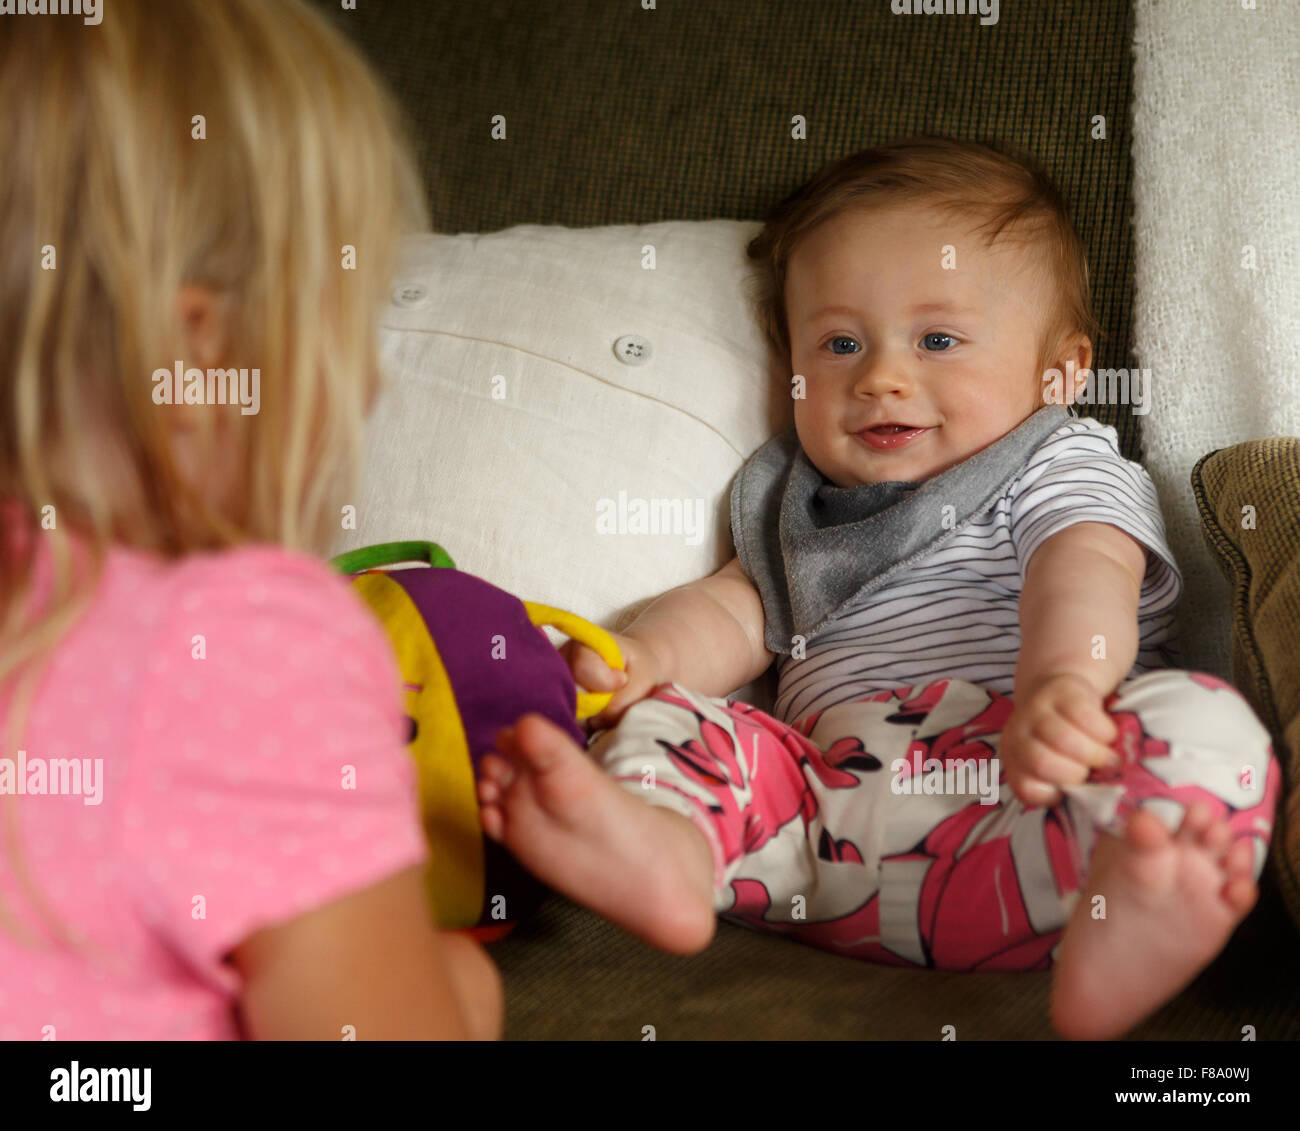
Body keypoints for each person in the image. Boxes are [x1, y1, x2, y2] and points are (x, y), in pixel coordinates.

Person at [477, 136, 1280, 1041]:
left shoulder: (1055, 457)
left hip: (1030, 788)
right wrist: (643, 658)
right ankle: (665, 849)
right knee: (676, 721)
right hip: (830, 824)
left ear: (1060, 373)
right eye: (840, 342)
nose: (881, 376)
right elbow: (733, 611)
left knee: (1208, 725)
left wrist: (1066, 685)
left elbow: (1085, 569)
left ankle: (1126, 913)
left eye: (938, 339)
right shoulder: (800, 504)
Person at [0, 0, 500, 1040]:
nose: (365, 383)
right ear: (191, 359)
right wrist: (461, 993)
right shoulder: (234, 637)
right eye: (352, 320)